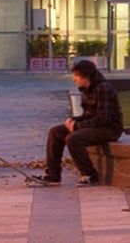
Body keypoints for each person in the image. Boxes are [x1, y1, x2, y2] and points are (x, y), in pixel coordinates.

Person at [31, 59, 123, 187]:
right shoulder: (86, 89)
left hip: (109, 129)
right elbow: (88, 115)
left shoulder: (103, 88)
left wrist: (77, 126)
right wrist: (74, 120)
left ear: (86, 76)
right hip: (94, 126)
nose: (74, 80)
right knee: (55, 132)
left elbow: (104, 118)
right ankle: (53, 175)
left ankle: (90, 175)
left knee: (73, 139)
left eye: (76, 76)